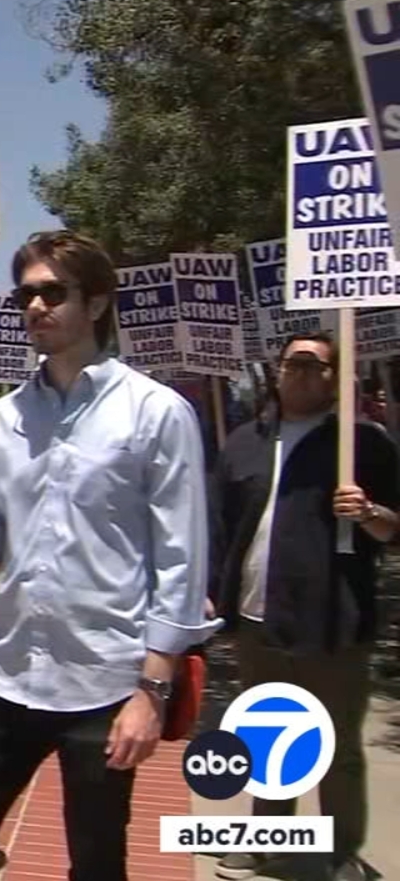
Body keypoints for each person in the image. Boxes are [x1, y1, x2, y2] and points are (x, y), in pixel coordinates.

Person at [0, 231, 218, 881]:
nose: (35, 306)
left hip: (106, 686)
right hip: (6, 678)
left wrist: (152, 690)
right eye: (26, 293)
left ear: (98, 302)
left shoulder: (156, 413)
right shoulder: (2, 419)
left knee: (97, 863)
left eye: (53, 292)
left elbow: (181, 561)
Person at [208, 332, 397, 881]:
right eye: (294, 363)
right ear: (277, 371)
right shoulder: (245, 442)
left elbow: (393, 527)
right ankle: (268, 842)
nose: (303, 373)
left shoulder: (365, 444)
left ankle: (338, 856)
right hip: (256, 620)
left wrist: (368, 512)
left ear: (336, 378)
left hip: (333, 620)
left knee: (336, 748)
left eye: (317, 366)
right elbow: (221, 526)